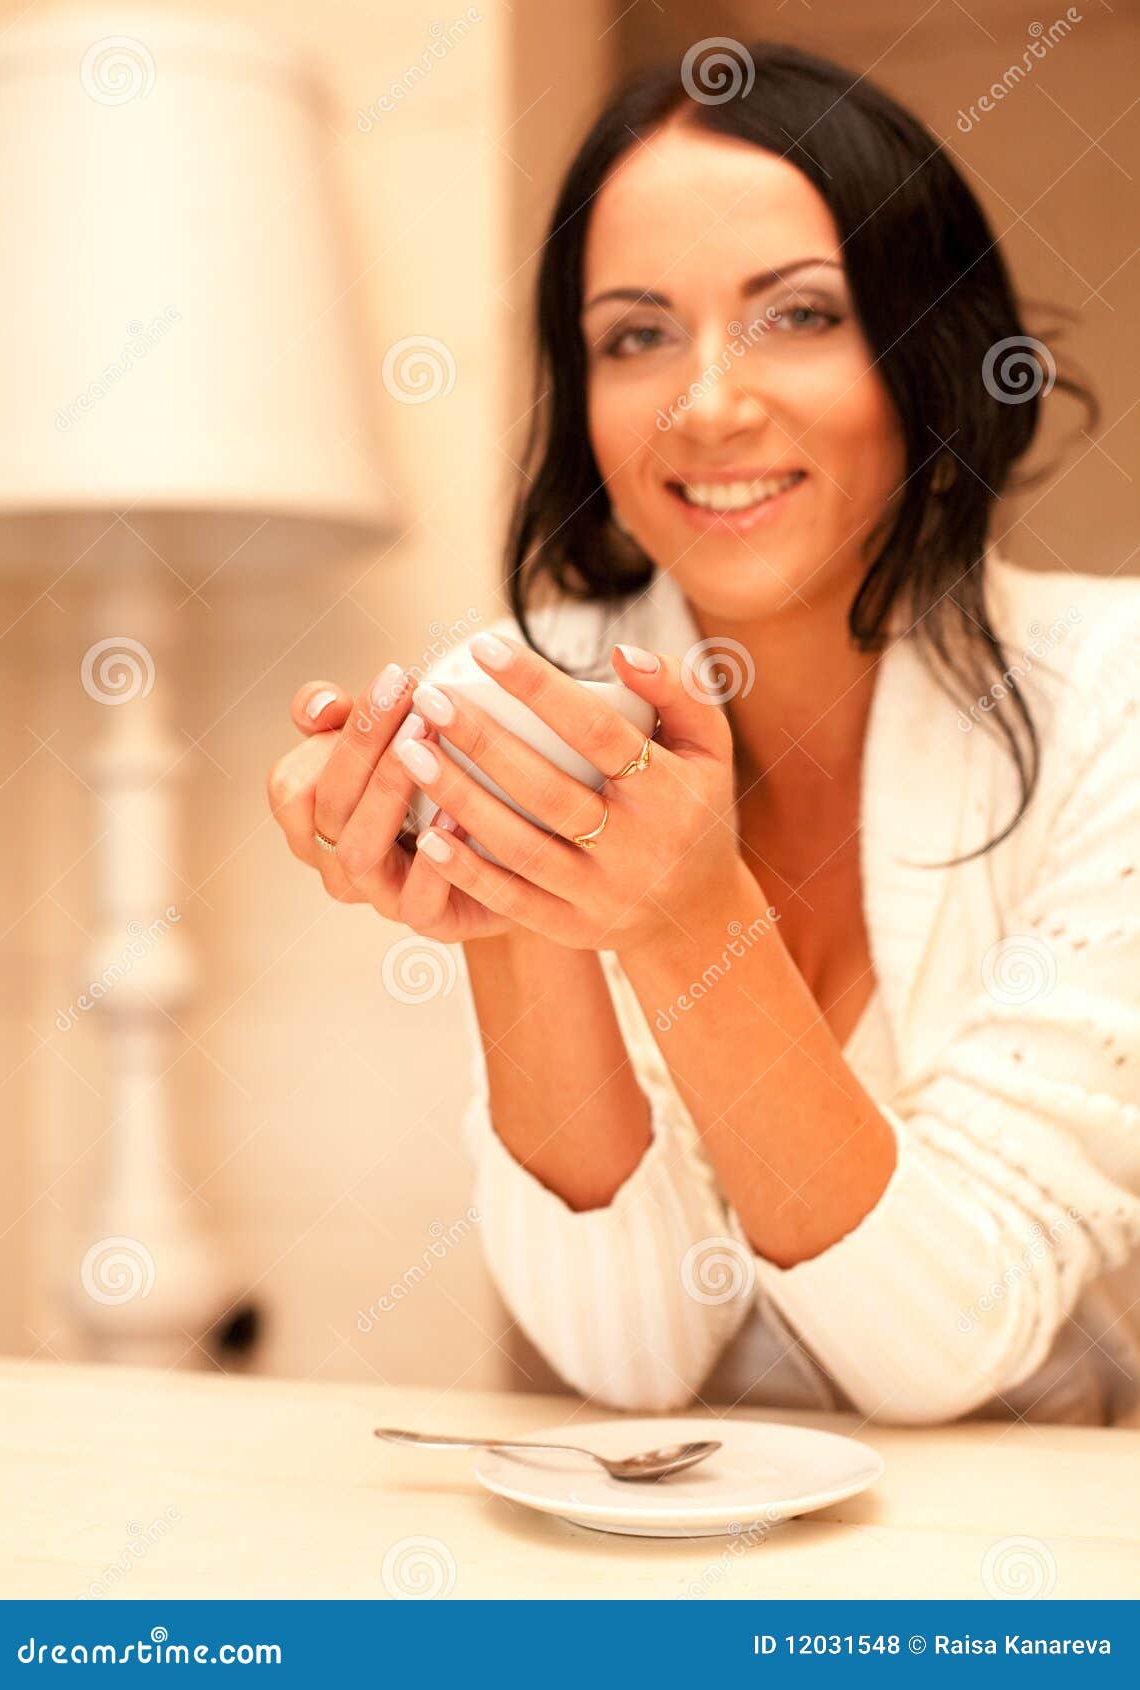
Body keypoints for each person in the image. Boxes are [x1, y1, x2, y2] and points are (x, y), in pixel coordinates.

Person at [268, 42, 1140, 1425]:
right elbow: (626, 1358)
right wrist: (508, 902)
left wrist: (686, 920)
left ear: (929, 346)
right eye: (635, 334)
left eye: (797, 314)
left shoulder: (1113, 697)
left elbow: (946, 1348)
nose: (708, 402)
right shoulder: (540, 709)